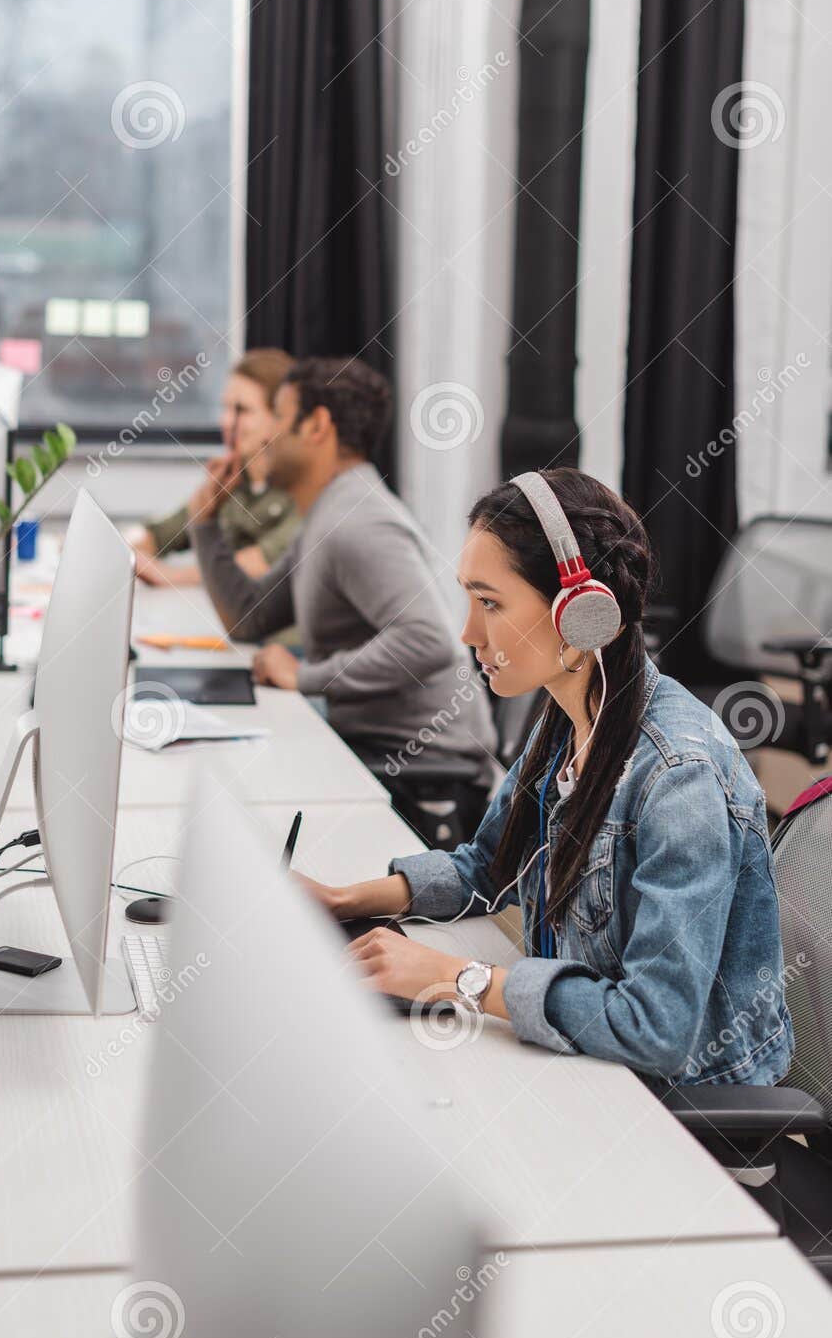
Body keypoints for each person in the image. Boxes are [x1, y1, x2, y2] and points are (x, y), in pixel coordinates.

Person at [299, 466, 794, 1088]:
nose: (467, 633)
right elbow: (488, 868)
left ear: (579, 615)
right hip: (588, 1070)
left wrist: (460, 979)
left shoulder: (680, 779)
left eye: (489, 603)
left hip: (680, 1111)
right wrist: (342, 899)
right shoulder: (567, 720)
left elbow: (656, 1028)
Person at [186, 356, 497, 790]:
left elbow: (431, 642)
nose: (266, 435)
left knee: (227, 780)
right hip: (374, 744)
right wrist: (205, 523)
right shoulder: (326, 514)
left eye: (278, 416)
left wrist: (305, 677)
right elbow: (248, 617)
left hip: (420, 766)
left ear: (316, 426)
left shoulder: (358, 522)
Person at [131, 348, 300, 591]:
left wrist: (166, 575)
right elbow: (162, 533)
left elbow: (261, 562)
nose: (226, 422)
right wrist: (125, 549)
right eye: (225, 408)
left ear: (279, 418)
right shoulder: (230, 478)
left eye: (241, 410)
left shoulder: (302, 485)